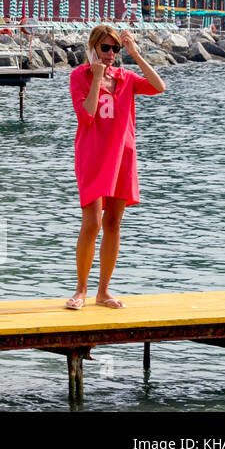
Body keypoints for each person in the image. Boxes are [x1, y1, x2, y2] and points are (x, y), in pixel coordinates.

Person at [67, 25, 166, 310]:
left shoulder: (126, 78)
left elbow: (159, 86)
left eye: (115, 49)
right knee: (92, 223)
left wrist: (134, 52)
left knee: (113, 224)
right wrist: (97, 78)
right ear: (93, 48)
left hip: (123, 157)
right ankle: (81, 290)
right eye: (105, 48)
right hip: (93, 156)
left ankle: (103, 291)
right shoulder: (79, 76)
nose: (110, 54)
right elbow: (86, 115)